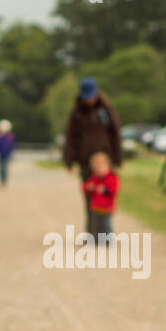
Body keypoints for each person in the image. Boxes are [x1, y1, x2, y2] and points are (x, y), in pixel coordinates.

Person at [63, 77, 122, 234]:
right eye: (86, 96)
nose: (89, 100)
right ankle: (91, 231)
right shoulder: (76, 114)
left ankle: (106, 231)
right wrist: (68, 160)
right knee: (90, 195)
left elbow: (115, 134)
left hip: (105, 160)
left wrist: (117, 159)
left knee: (106, 194)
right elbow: (70, 137)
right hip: (86, 161)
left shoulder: (105, 111)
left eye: (91, 96)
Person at [82, 151, 119, 239]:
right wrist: (88, 187)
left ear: (108, 166)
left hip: (106, 207)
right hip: (96, 207)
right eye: (97, 168)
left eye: (101, 167)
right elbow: (85, 187)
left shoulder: (111, 178)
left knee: (106, 225)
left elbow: (113, 190)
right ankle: (96, 240)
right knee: (96, 225)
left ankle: (108, 240)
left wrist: (105, 190)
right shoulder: (94, 178)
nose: (99, 170)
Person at [0, 119, 15, 187]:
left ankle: (4, 180)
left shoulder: (10, 136)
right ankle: (2, 180)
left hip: (7, 154)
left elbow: (12, 145)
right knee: (0, 168)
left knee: (4, 167)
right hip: (0, 154)